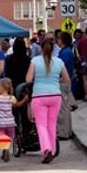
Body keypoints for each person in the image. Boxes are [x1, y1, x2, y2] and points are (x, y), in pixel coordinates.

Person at [25, 36, 69, 164]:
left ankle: (46, 149)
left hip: (39, 96)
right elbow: (66, 79)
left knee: (41, 125)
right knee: (51, 124)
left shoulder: (35, 61)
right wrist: (55, 80)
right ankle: (53, 150)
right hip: (55, 95)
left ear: (41, 48)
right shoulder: (59, 61)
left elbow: (28, 79)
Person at [0, 78, 19, 163]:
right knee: (9, 137)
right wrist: (24, 100)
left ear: (1, 88)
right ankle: (6, 148)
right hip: (10, 122)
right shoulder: (12, 98)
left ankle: (4, 149)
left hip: (1, 122)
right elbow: (16, 105)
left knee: (2, 138)